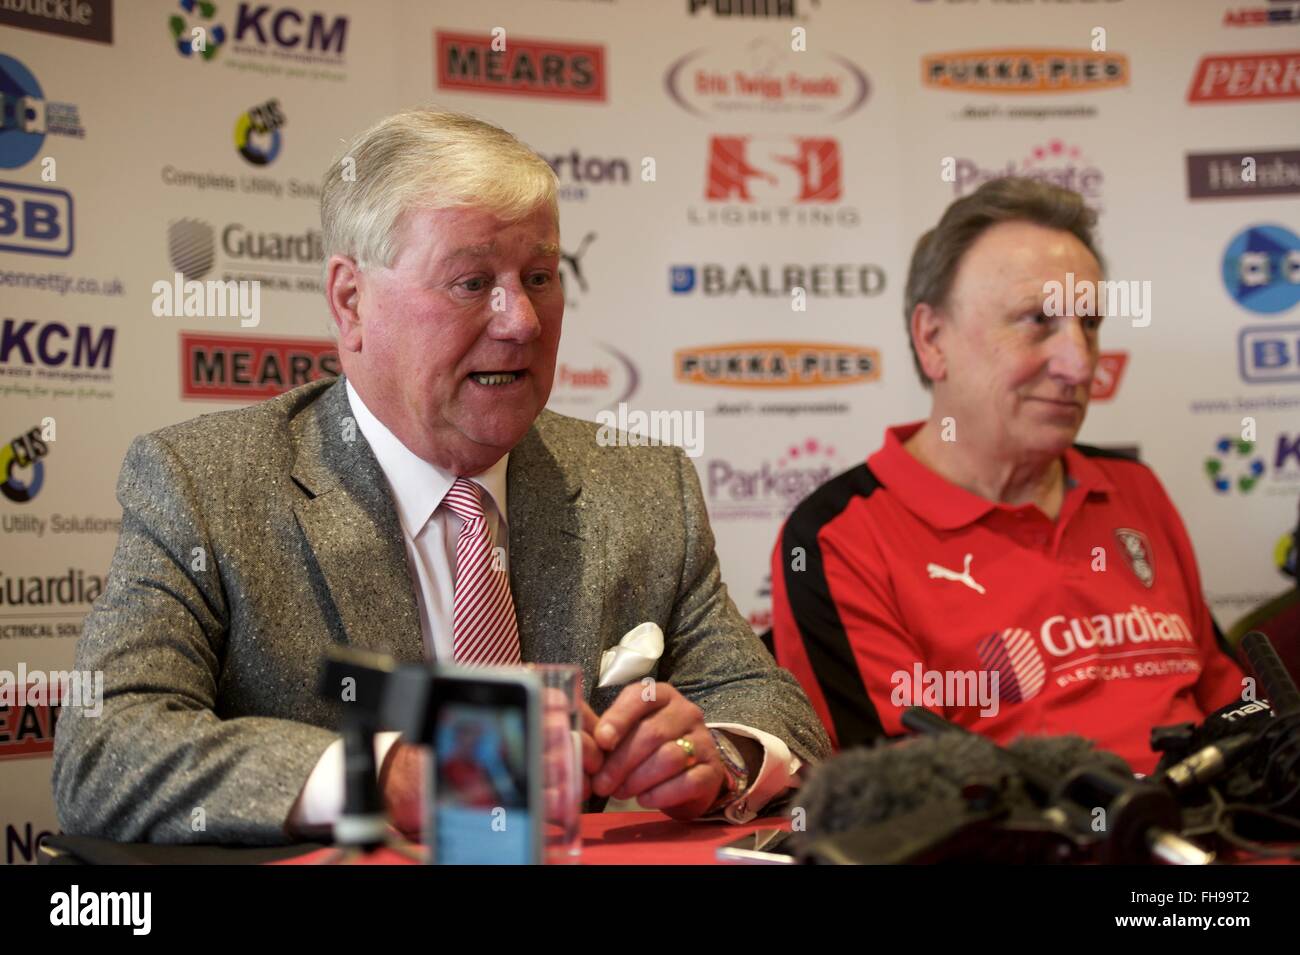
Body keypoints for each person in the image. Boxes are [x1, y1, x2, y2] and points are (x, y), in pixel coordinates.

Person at [53, 108, 828, 844]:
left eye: (540, 277)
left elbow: (777, 711)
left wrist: (714, 756)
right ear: (351, 302)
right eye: (471, 283)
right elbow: (105, 749)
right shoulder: (204, 483)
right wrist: (392, 777)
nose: (520, 320)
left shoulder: (643, 486)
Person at [770, 177, 1244, 775]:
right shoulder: (839, 539)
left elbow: (1238, 711)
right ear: (932, 339)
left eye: (1089, 323)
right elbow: (901, 794)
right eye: (1037, 320)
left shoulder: (1133, 488)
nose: (1079, 365)